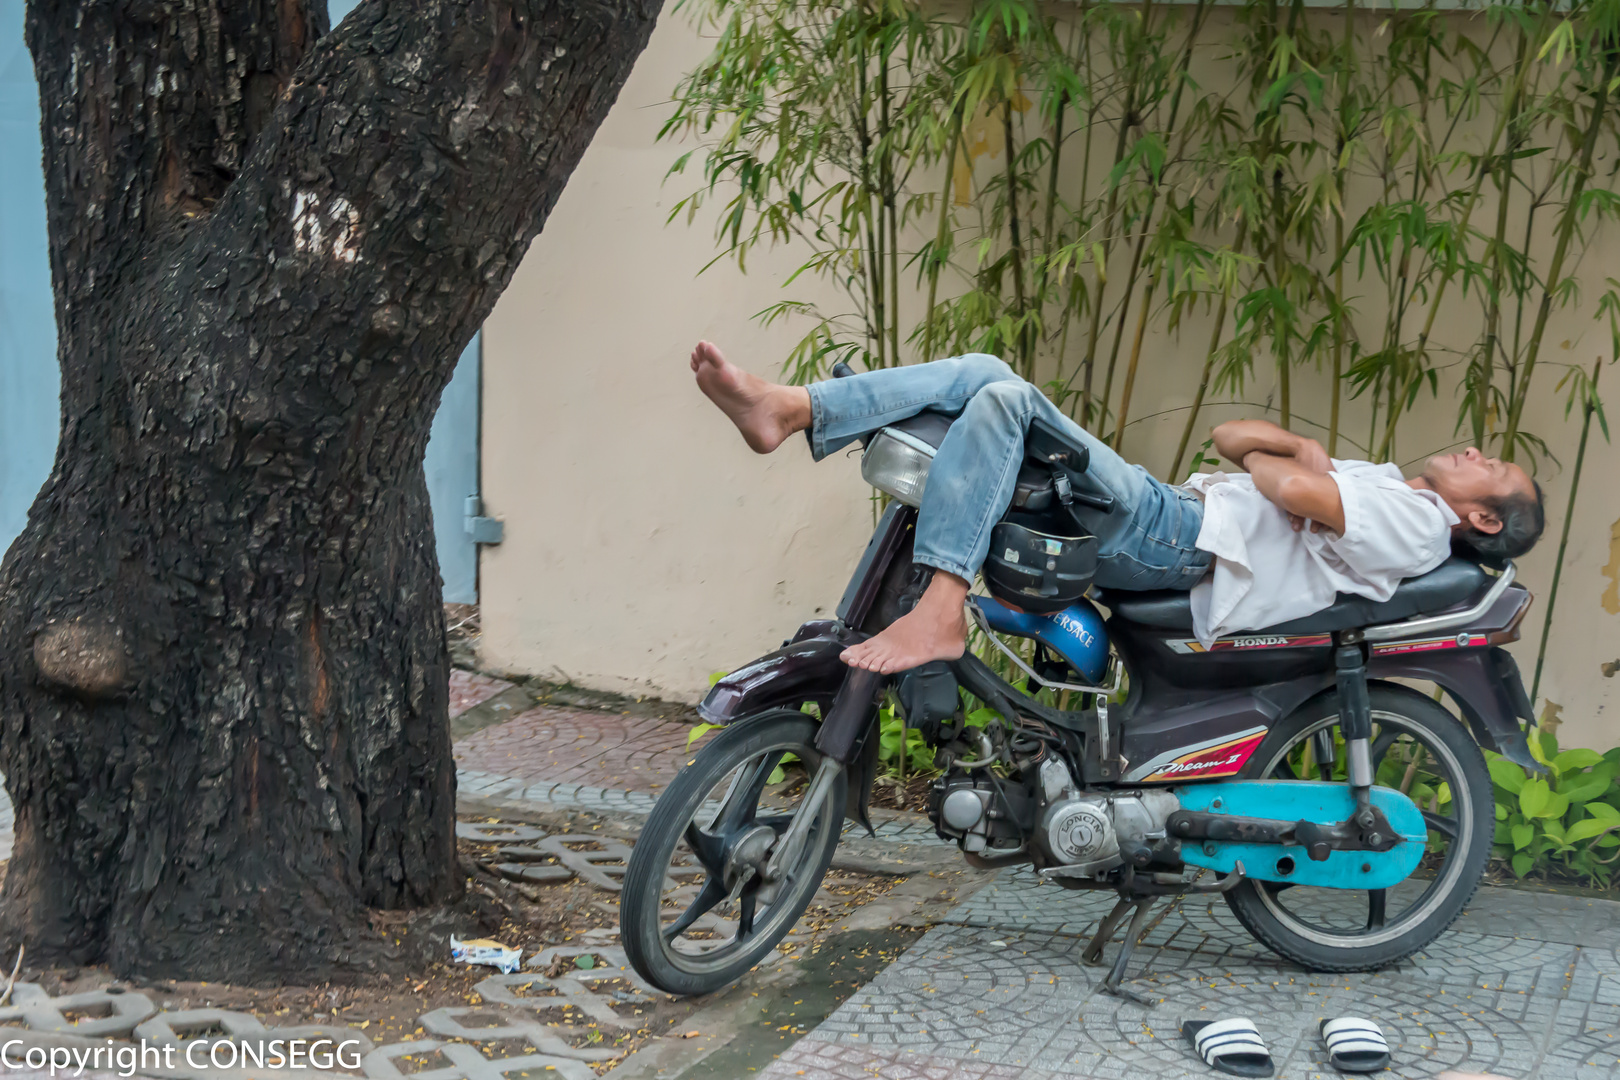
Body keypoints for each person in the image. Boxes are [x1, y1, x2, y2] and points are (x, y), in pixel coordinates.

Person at [690, 342, 1545, 674]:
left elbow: (1280, 484)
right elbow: (1229, 434)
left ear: (1481, 520)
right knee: (985, 375)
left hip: (1181, 539)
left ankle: (941, 608)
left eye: (1492, 467)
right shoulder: (1392, 489)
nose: (1476, 451)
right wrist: (1295, 451)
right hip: (1172, 515)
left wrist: (1289, 467)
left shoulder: (1417, 522)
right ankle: (792, 409)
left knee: (1005, 398)